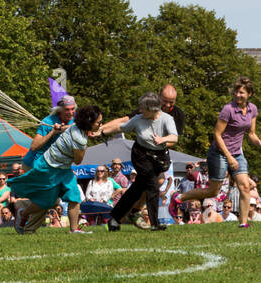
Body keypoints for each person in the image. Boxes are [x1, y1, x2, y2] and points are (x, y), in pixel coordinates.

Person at [9, 105, 112, 235]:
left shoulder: (76, 127)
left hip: (62, 169)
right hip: (49, 168)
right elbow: (78, 160)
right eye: (98, 122)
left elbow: (69, 127)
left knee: (74, 195)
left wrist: (87, 132)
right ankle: (22, 213)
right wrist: (87, 141)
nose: (100, 125)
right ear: (89, 123)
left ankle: (74, 230)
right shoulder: (80, 139)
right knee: (47, 201)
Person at [181, 78, 261, 229]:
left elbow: (251, 134)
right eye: (236, 92)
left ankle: (243, 223)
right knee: (213, 190)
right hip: (219, 153)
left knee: (244, 186)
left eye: (242, 92)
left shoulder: (252, 110)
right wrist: (229, 157)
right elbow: (217, 135)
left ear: (249, 94)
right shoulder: (228, 109)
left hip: (237, 152)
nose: (238, 95)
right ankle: (179, 197)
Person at [107, 93, 179, 231]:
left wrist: (163, 139)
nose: (140, 110)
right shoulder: (138, 119)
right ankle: (154, 224)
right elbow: (120, 127)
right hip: (140, 155)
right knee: (152, 185)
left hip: (158, 157)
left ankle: (115, 219)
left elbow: (174, 138)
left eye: (143, 108)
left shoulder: (166, 119)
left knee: (136, 189)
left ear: (153, 109)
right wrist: (101, 132)